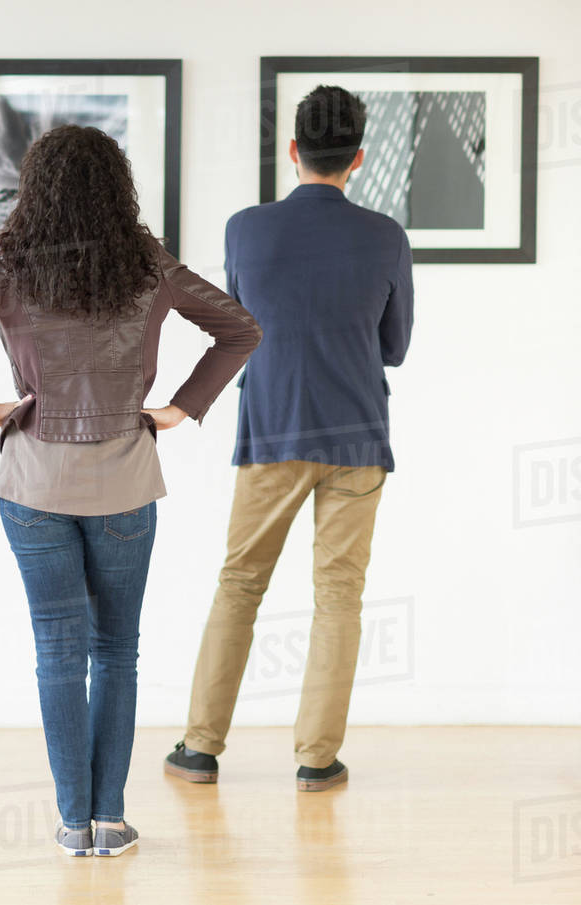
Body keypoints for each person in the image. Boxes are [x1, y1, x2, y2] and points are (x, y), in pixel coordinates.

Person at [0, 125, 261, 857]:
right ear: (116, 188)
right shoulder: (146, 262)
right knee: (117, 650)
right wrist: (182, 407)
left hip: (32, 480)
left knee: (58, 650)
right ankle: (110, 819)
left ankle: (73, 823)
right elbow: (239, 328)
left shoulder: (8, 262)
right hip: (127, 478)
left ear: (35, 189)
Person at [165, 85, 414, 792]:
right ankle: (315, 758)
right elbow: (393, 347)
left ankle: (200, 749)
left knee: (240, 584)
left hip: (272, 427)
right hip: (359, 436)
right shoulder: (387, 236)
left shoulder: (245, 228)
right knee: (340, 594)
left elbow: (240, 328)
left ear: (294, 150)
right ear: (358, 158)